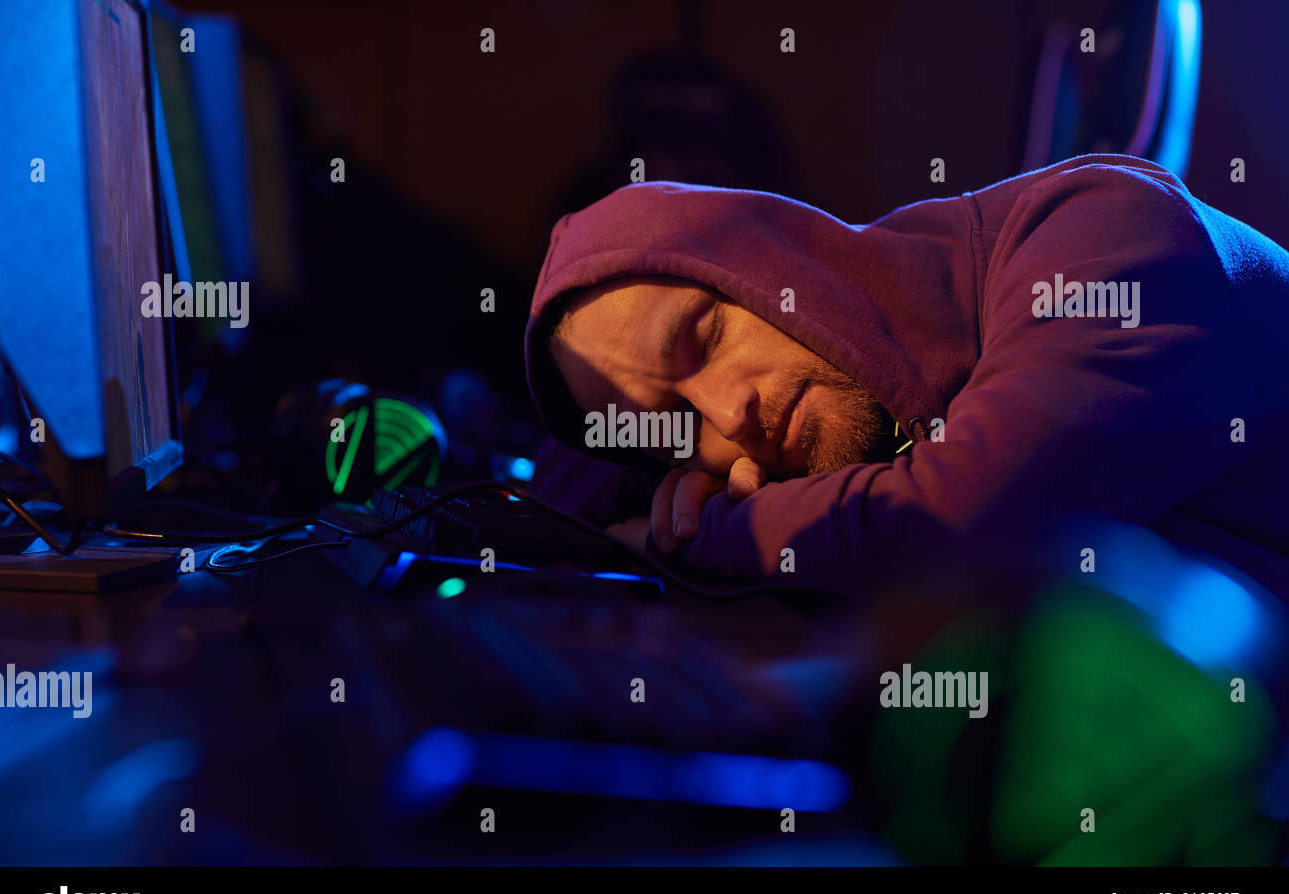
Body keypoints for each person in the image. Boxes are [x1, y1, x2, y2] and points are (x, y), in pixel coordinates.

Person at [523, 155, 1289, 602]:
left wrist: (705, 536)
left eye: (706, 336)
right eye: (675, 432)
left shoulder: (1107, 230)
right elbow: (560, 507)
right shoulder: (875, 427)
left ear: (772, 259)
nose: (729, 415)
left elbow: (964, 518)